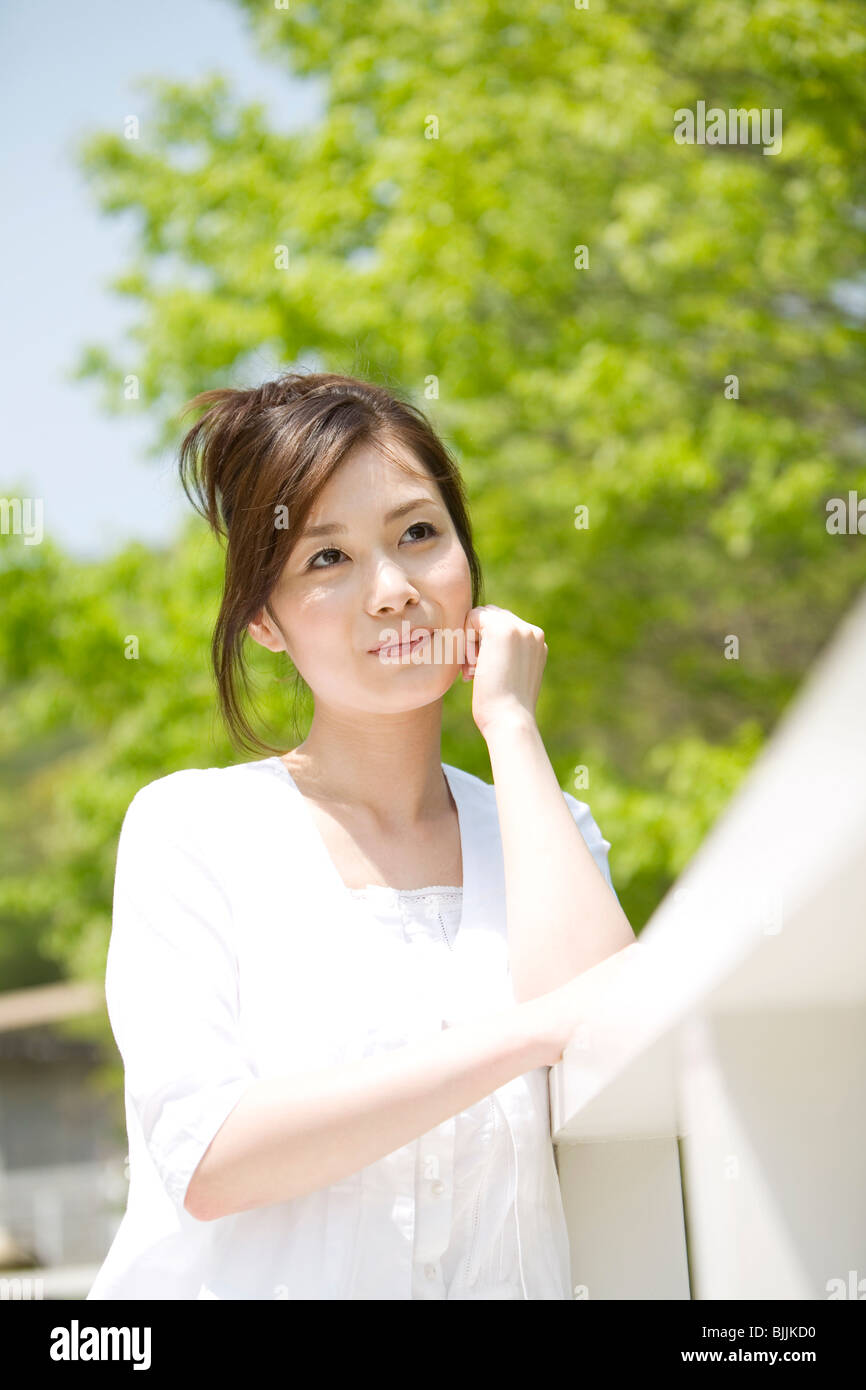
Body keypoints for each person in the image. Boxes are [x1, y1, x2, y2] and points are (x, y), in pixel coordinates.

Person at [87, 371, 636, 1300]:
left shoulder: (543, 824)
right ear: (262, 618)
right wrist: (523, 1037)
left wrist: (510, 725)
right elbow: (215, 1158)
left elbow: (613, 1040)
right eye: (325, 559)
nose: (392, 592)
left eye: (419, 534)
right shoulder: (194, 830)